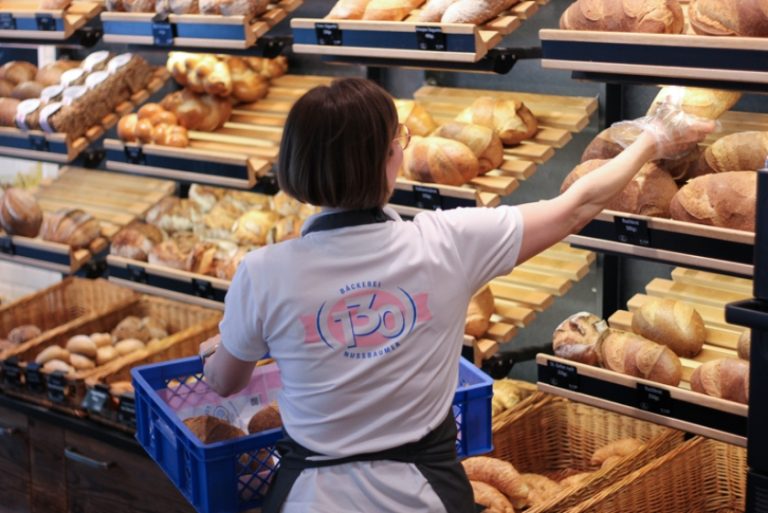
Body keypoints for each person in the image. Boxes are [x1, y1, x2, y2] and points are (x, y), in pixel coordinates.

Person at [200, 77, 713, 513]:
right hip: (425, 492)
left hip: (312, 496)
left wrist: (230, 351)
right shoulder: (447, 241)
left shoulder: (263, 273)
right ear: (391, 156)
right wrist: (653, 138)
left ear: (296, 165)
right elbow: (577, 205)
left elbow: (225, 382)